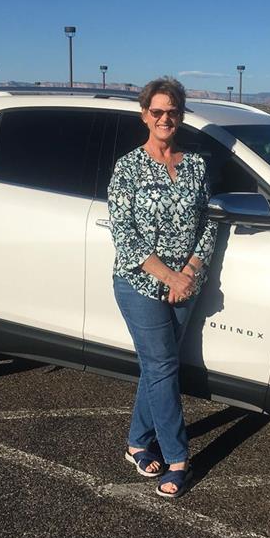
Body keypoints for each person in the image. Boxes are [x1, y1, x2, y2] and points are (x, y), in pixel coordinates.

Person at [107, 77, 217, 498]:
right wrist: (168, 276)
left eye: (172, 111)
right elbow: (125, 236)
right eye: (157, 112)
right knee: (165, 367)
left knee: (158, 366)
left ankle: (137, 440)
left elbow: (208, 222)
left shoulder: (197, 165)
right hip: (139, 282)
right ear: (144, 116)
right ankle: (177, 458)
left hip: (186, 284)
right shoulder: (128, 167)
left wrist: (190, 269)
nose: (165, 118)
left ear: (180, 115)